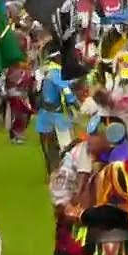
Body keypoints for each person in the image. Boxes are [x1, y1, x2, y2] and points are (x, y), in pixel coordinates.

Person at [36, 41, 79, 177]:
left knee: (46, 146)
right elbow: (65, 90)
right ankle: (63, 173)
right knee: (66, 144)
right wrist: (74, 103)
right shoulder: (56, 74)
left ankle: (51, 172)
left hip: (43, 112)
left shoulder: (43, 71)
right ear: (57, 58)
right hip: (56, 114)